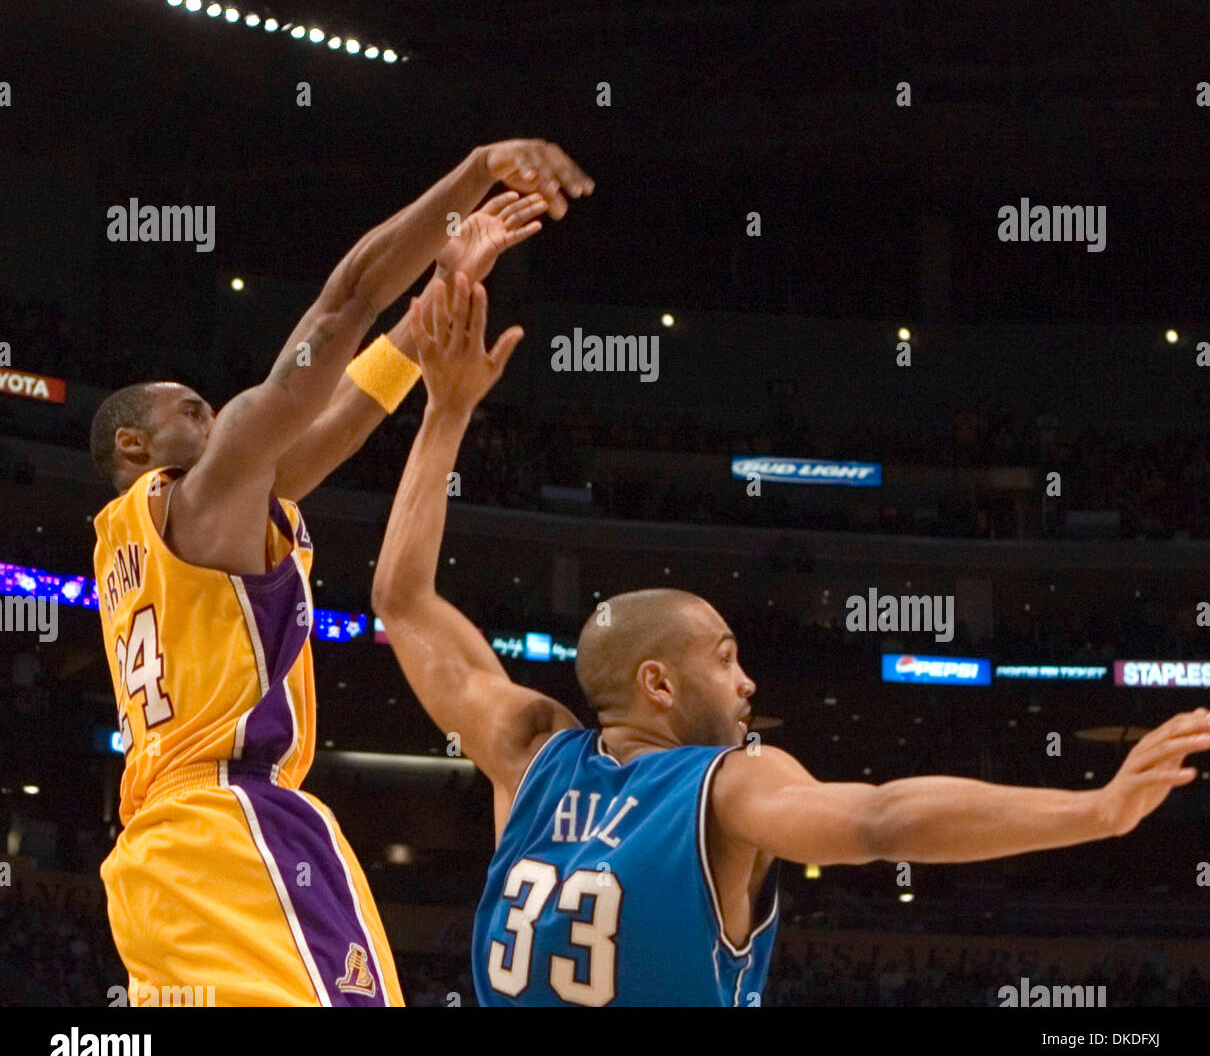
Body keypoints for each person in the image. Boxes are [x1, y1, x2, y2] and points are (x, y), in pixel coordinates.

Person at [372, 273, 1210, 1007]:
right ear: (659, 684)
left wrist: (446, 411)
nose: (749, 684)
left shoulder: (525, 751)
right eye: (727, 656)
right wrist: (1095, 812)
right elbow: (882, 820)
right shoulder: (725, 788)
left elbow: (403, 603)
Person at [89, 141, 592, 1006]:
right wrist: (471, 176)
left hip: (157, 854)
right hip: (230, 821)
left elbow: (352, 411)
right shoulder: (207, 495)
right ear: (133, 445)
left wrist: (442, 294)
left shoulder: (143, 536)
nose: (215, 415)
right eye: (191, 410)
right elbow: (346, 302)